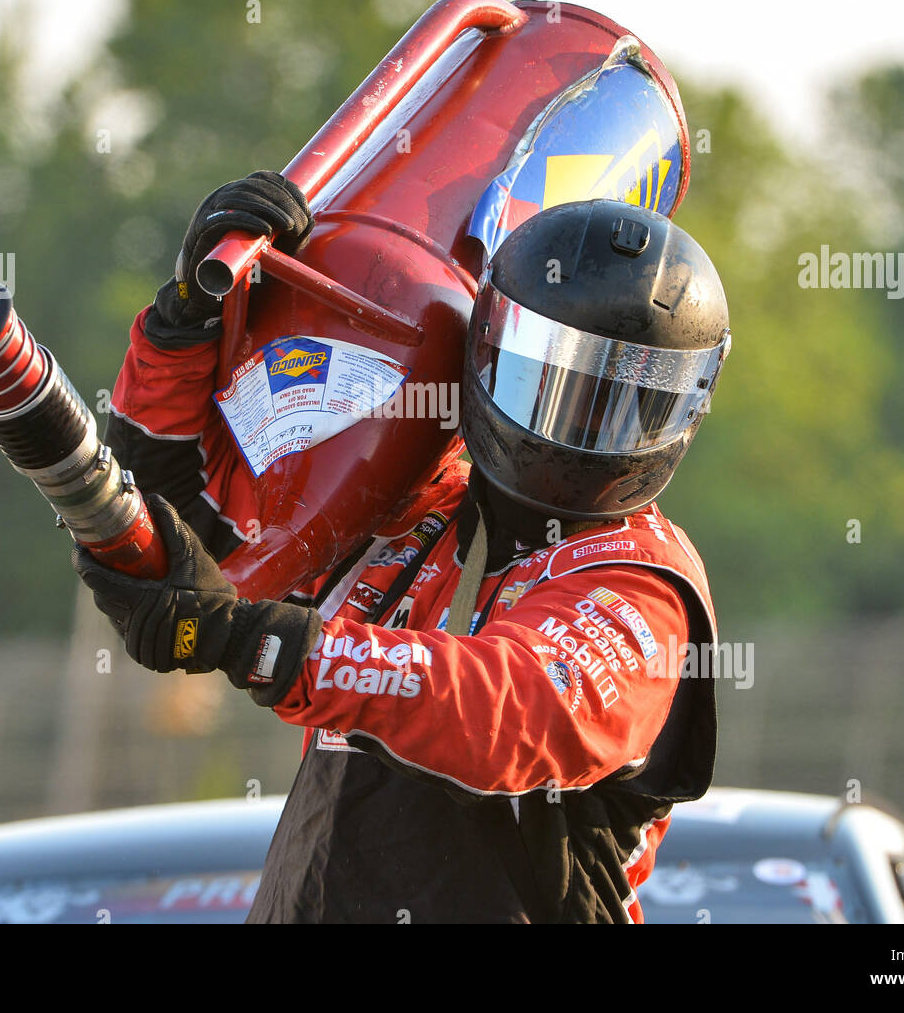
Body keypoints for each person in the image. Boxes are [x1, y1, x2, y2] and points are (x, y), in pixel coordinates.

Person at [73, 171, 732, 923]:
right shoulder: (415, 511)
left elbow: (505, 713)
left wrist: (264, 645)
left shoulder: (643, 583)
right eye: (548, 378)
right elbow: (201, 516)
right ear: (483, 351)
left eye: (625, 401)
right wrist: (191, 321)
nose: (577, 426)